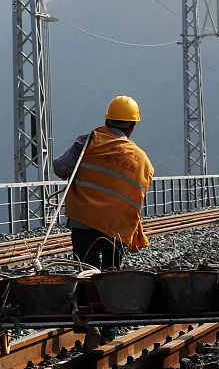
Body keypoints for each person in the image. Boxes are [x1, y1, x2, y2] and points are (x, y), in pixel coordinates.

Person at [52, 95, 155, 270]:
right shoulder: (142, 160)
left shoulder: (87, 142)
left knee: (86, 270)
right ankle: (108, 296)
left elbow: (60, 168)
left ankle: (88, 296)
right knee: (112, 272)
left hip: (82, 220)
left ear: (107, 120)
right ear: (132, 126)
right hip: (117, 226)